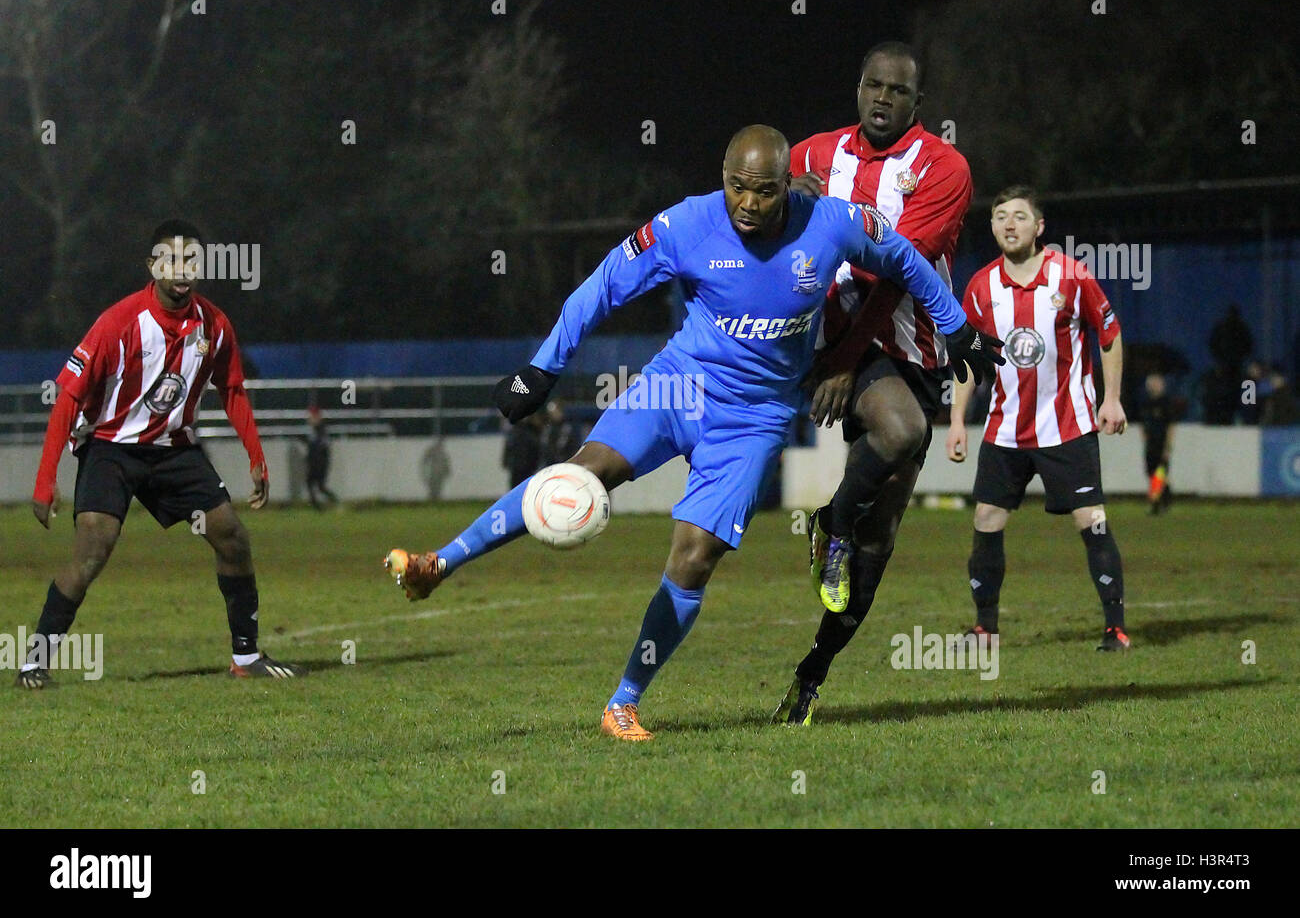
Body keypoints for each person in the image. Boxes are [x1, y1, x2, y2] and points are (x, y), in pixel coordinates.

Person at [385, 125, 1002, 740]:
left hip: (755, 418)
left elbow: (902, 259)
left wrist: (955, 325)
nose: (749, 204)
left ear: (789, 184)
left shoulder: (831, 222)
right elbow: (603, 286)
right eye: (737, 188)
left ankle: (622, 702)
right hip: (679, 385)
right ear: (723, 178)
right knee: (578, 474)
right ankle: (438, 563)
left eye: (764, 192)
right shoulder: (686, 224)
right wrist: (543, 368)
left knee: (694, 555)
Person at [773, 41, 977, 725]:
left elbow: (897, 271)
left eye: (898, 91)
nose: (883, 99)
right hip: (834, 344)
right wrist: (781, 196)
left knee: (881, 534)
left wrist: (842, 362)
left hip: (906, 349)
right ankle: (828, 523)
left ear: (919, 104)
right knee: (903, 428)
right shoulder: (810, 155)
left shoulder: (944, 169)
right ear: (858, 89)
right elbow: (744, 200)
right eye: (873, 86)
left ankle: (812, 673)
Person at [19, 220, 302, 688]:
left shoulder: (213, 323)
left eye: (191, 259)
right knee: (92, 552)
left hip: (173, 451)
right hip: (111, 448)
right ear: (152, 266)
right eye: (171, 259)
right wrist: (44, 482)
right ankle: (34, 661)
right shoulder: (118, 323)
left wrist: (257, 456)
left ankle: (246, 658)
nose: (182, 268)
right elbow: (67, 397)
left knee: (232, 536)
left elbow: (231, 388)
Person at [945, 187, 1131, 651]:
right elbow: (970, 359)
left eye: (1020, 217)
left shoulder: (1071, 276)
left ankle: (1115, 628)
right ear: (991, 227)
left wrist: (1112, 400)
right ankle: (985, 628)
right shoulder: (981, 286)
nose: (1010, 225)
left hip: (1066, 424)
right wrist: (956, 421)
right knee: (986, 518)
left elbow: (1108, 333)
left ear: (1039, 226)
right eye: (1000, 216)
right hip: (1005, 428)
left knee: (1093, 521)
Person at [1140, 372, 1178, 513]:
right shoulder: (1146, 404)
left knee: (1160, 474)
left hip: (1162, 445)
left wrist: (1168, 447)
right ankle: (1160, 501)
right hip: (1150, 445)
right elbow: (1144, 424)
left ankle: (1160, 502)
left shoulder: (1166, 403)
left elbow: (1170, 426)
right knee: (1151, 474)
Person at [304, 405, 339, 509]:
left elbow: (322, 446)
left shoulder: (321, 429)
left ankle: (332, 501)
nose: (309, 419)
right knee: (313, 484)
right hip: (315, 461)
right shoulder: (315, 430)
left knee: (318, 486)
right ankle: (319, 505)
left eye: (311, 416)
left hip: (319, 462)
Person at [501, 410, 543, 489]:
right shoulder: (518, 431)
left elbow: (535, 449)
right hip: (519, 465)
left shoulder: (530, 431)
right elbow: (510, 447)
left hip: (525, 465)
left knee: (521, 488)